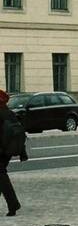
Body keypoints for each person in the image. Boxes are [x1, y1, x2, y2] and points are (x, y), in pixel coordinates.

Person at [0, 89, 26, 217]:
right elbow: (19, 132)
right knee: (1, 177)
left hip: (1, 150)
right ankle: (13, 204)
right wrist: (22, 152)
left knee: (2, 177)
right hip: (8, 150)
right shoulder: (9, 113)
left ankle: (13, 204)